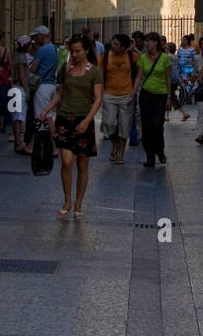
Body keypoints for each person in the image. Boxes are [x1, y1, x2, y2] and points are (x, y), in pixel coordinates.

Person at [40, 35, 103, 219]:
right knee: (67, 161)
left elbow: (98, 98)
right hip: (64, 119)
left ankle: (78, 204)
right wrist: (46, 110)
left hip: (84, 119)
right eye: (72, 51)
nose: (74, 54)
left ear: (86, 51)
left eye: (77, 51)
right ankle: (67, 200)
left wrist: (87, 121)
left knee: (83, 163)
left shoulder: (94, 72)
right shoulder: (65, 69)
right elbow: (59, 94)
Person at [131, 32, 174, 166]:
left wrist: (169, 97)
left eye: (148, 41)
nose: (146, 44)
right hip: (146, 94)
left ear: (155, 42)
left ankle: (160, 150)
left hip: (160, 95)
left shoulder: (165, 58)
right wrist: (133, 94)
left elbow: (168, 78)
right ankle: (150, 155)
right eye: (146, 42)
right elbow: (139, 77)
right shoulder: (142, 58)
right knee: (146, 126)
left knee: (157, 125)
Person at [100, 34, 138, 163]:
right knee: (109, 123)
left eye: (116, 44)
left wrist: (134, 48)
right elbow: (99, 75)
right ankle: (115, 144)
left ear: (123, 47)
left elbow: (144, 63)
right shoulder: (105, 57)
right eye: (113, 42)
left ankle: (120, 152)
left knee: (124, 126)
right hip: (109, 94)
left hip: (126, 95)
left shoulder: (132, 56)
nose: (112, 45)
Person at [29, 25, 59, 126]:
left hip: (42, 86)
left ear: (41, 36)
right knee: (48, 114)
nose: (35, 39)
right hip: (51, 85)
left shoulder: (42, 50)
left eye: (36, 36)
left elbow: (33, 68)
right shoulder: (54, 48)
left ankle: (51, 138)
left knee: (43, 115)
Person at [10, 35, 31, 154]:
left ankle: (17, 141)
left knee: (16, 117)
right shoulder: (22, 58)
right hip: (19, 89)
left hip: (14, 88)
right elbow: (22, 75)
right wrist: (27, 89)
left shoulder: (16, 56)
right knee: (19, 117)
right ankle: (19, 142)